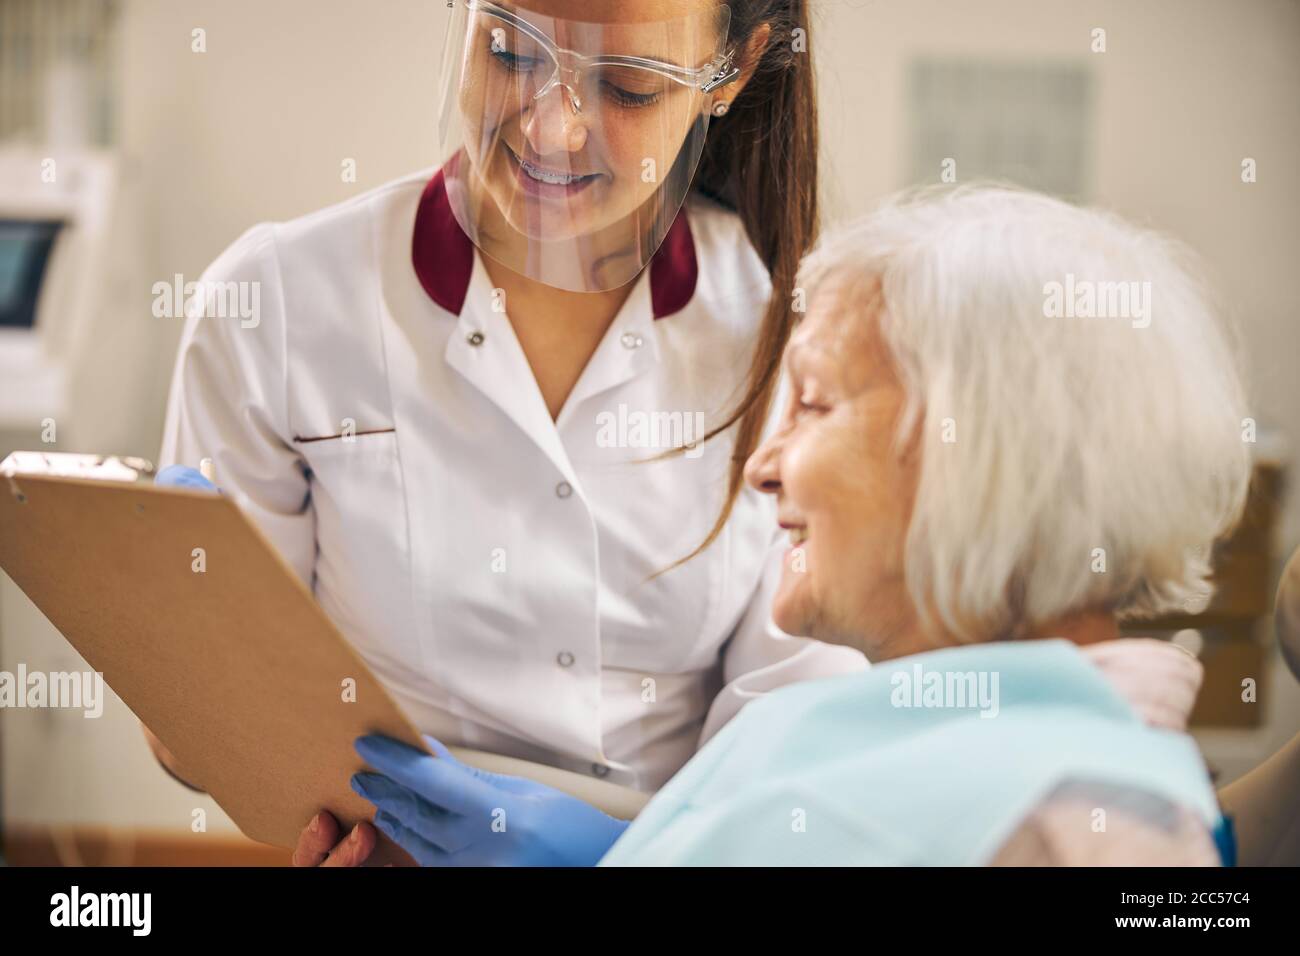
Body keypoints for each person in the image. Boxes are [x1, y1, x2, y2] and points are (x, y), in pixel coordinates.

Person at [146, 0, 867, 867]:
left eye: (630, 87)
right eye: (508, 50)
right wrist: (174, 660)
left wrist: (624, 856)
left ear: (736, 72)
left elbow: (799, 757)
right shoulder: (278, 305)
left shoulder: (793, 339)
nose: (553, 128)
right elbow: (209, 740)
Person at [356, 186, 1269, 865]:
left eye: (815, 405)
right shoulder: (858, 733)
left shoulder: (1095, 830)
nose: (760, 467)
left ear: (976, 453)